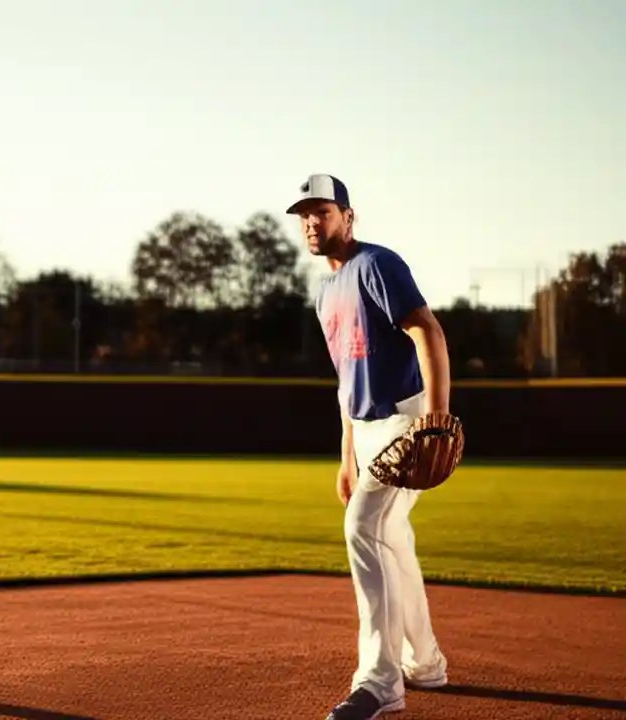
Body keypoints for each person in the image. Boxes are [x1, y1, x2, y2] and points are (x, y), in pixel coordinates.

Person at [286, 174, 451, 720]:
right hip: (366, 431)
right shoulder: (325, 293)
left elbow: (427, 330)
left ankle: (380, 683)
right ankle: (424, 663)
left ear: (348, 218)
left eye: (323, 211)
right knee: (393, 541)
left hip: (406, 421)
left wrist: (435, 417)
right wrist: (345, 457)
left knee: (364, 528)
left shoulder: (377, 264)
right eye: (305, 214)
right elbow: (345, 381)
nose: (313, 222)